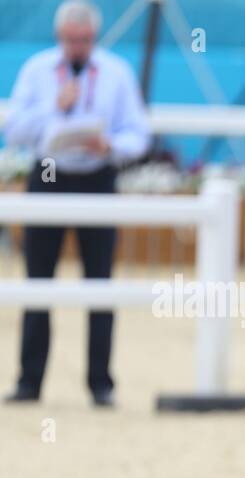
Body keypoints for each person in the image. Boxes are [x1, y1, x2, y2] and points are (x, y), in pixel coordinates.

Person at [3, 0, 149, 408]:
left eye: (84, 41)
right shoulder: (37, 70)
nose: (77, 48)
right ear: (59, 37)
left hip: (98, 177)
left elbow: (139, 133)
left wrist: (111, 146)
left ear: (94, 38)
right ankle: (30, 381)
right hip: (48, 175)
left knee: (99, 283)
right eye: (71, 40)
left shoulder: (117, 73)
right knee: (38, 281)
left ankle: (100, 383)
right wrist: (55, 107)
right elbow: (13, 129)